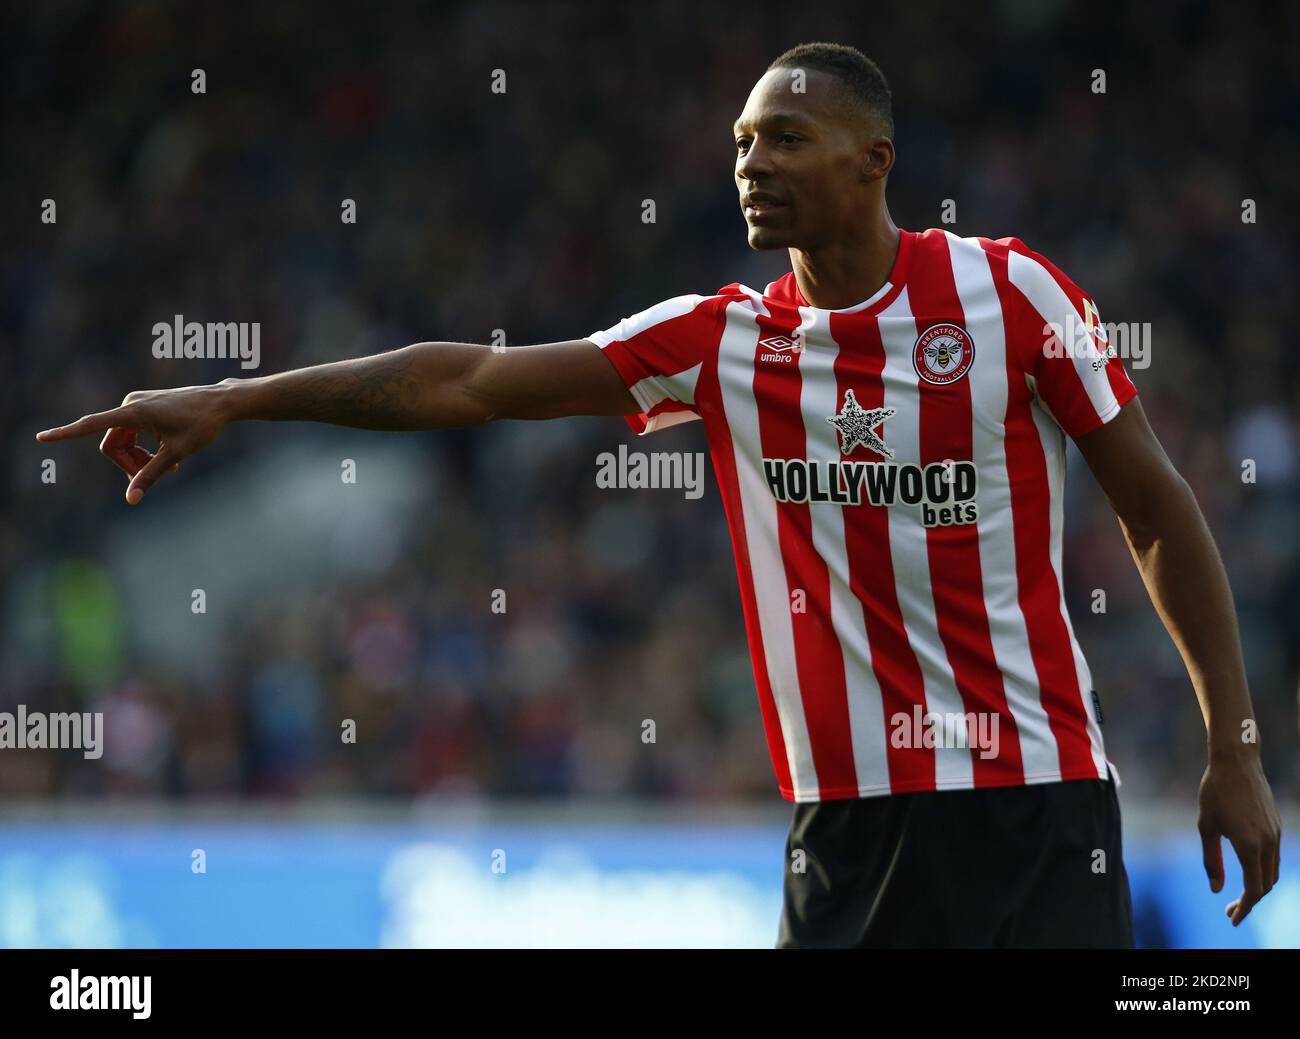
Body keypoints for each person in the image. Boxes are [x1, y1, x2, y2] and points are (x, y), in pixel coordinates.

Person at [37, 41, 1281, 948]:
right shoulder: (718, 342)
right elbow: (465, 380)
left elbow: (1158, 509)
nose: (752, 163)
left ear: (874, 161)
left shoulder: (1011, 298)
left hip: (1033, 802)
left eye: (786, 139)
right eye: (741, 143)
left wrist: (1232, 748)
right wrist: (238, 399)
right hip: (845, 829)